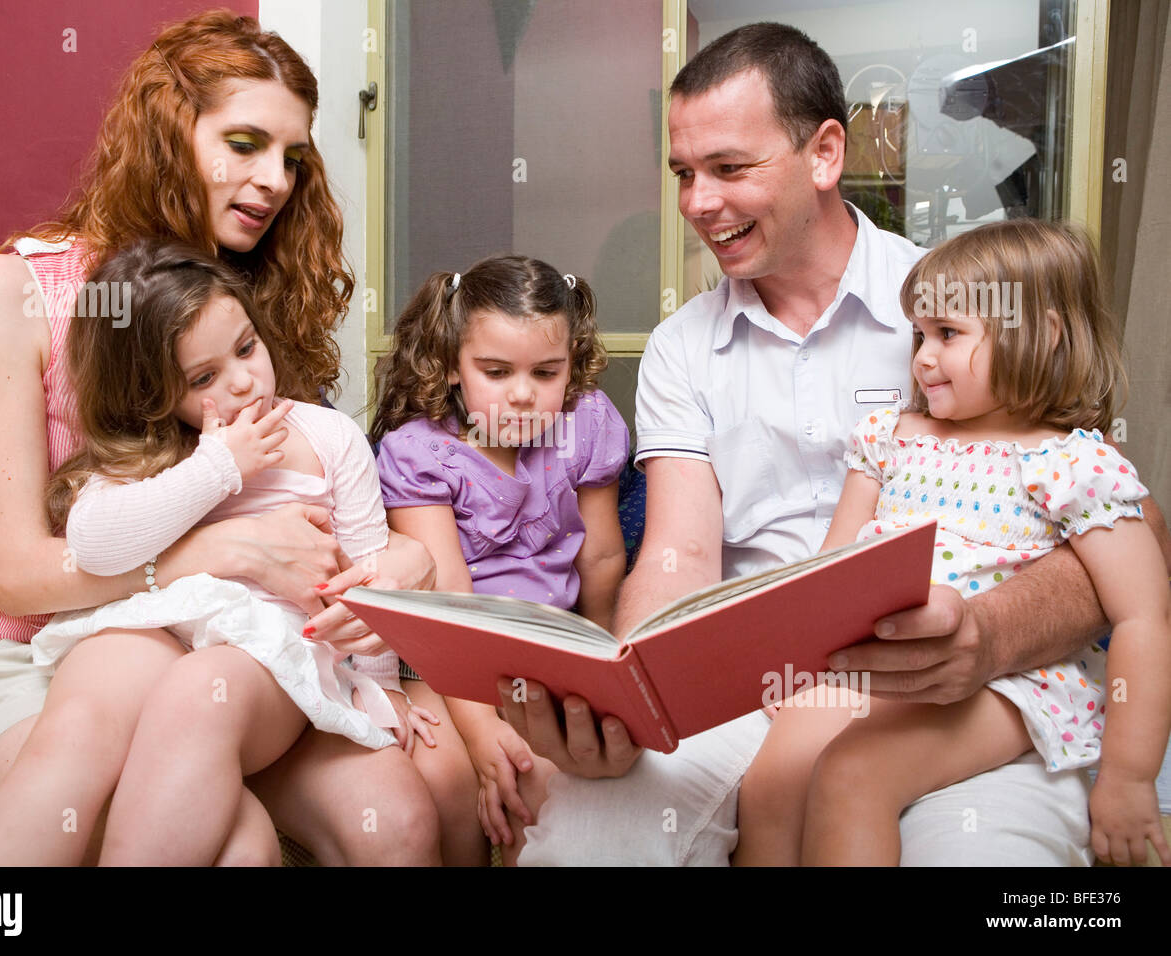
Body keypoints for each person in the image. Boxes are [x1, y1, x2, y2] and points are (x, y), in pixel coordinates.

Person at [501, 22, 1171, 865]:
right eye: (683, 173)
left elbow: (1134, 535)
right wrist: (638, 696)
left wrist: (993, 635)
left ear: (823, 154)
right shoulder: (682, 345)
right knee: (581, 847)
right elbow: (678, 552)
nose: (696, 202)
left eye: (729, 168)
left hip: (983, 687)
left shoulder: (959, 303)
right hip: (757, 681)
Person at [0, 11, 478, 866]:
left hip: (254, 645)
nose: (274, 181)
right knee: (231, 844)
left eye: (292, 158)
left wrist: (404, 580)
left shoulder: (254, 295)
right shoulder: (18, 292)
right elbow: (15, 576)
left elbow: (326, 507)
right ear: (166, 132)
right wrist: (222, 553)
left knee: (424, 797)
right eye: (243, 143)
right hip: (69, 650)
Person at [736, 219, 1171, 866]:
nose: (923, 357)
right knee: (773, 780)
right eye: (919, 333)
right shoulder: (891, 435)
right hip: (881, 666)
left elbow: (1144, 615)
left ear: (1043, 336)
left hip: (1010, 681)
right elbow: (834, 565)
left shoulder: (1072, 464)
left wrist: (1130, 780)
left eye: (948, 334)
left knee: (856, 775)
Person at [371, 255, 630, 849]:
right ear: (454, 366)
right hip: (445, 661)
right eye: (495, 371)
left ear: (572, 367)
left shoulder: (584, 424)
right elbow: (448, 600)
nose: (522, 396)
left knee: (540, 787)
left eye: (546, 373)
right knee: (451, 780)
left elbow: (601, 557)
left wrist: (602, 660)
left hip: (550, 647)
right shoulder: (421, 454)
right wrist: (482, 732)